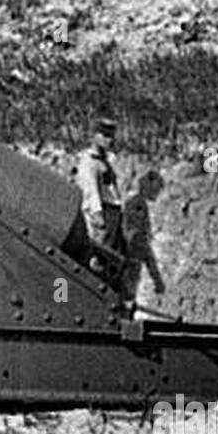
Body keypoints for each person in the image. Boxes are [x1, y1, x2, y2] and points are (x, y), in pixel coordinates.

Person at [76, 118, 125, 285]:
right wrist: (97, 214)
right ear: (94, 136)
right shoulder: (89, 162)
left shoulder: (106, 160)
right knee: (99, 257)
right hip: (101, 213)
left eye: (111, 136)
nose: (109, 140)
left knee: (111, 255)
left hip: (113, 212)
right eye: (104, 135)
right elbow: (90, 190)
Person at [120, 169, 167, 310]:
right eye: (157, 188)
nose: (158, 193)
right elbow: (137, 240)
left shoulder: (137, 203)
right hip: (130, 262)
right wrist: (156, 279)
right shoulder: (137, 204)